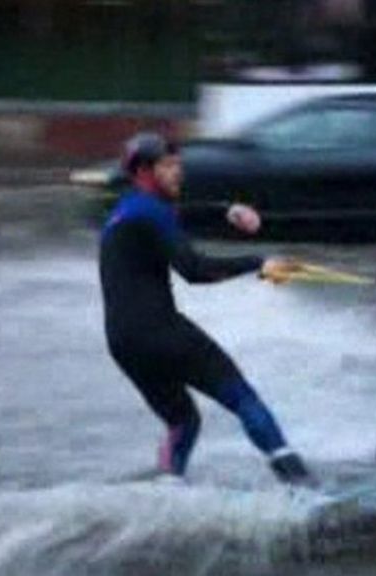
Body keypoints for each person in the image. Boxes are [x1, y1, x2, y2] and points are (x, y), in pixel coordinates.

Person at [99, 132, 315, 487]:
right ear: (143, 171)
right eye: (169, 166)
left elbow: (173, 221)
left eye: (178, 165)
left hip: (124, 343)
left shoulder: (129, 209)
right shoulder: (151, 211)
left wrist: (224, 211)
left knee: (183, 421)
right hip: (160, 331)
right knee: (243, 399)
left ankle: (166, 490)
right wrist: (258, 263)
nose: (178, 172)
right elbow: (194, 270)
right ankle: (302, 486)